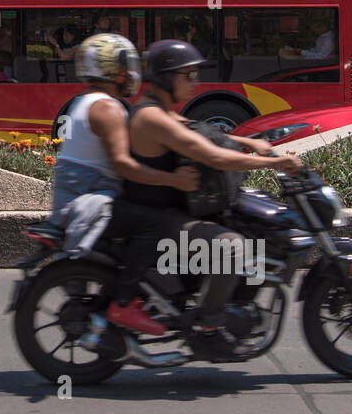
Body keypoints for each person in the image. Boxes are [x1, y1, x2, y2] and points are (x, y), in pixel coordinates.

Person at [124, 40, 303, 360]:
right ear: (165, 78)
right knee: (233, 246)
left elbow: (194, 130)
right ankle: (209, 329)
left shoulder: (158, 110)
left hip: (166, 211)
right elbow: (212, 156)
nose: (194, 82)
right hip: (158, 218)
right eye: (187, 75)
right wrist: (275, 163)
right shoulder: (151, 118)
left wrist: (247, 142)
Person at [48, 34, 200, 335]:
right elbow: (123, 165)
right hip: (91, 201)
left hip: (81, 197)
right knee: (157, 222)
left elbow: (175, 127)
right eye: (127, 65)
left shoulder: (88, 101)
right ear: (113, 70)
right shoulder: (107, 109)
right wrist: (175, 180)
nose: (133, 73)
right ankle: (125, 301)